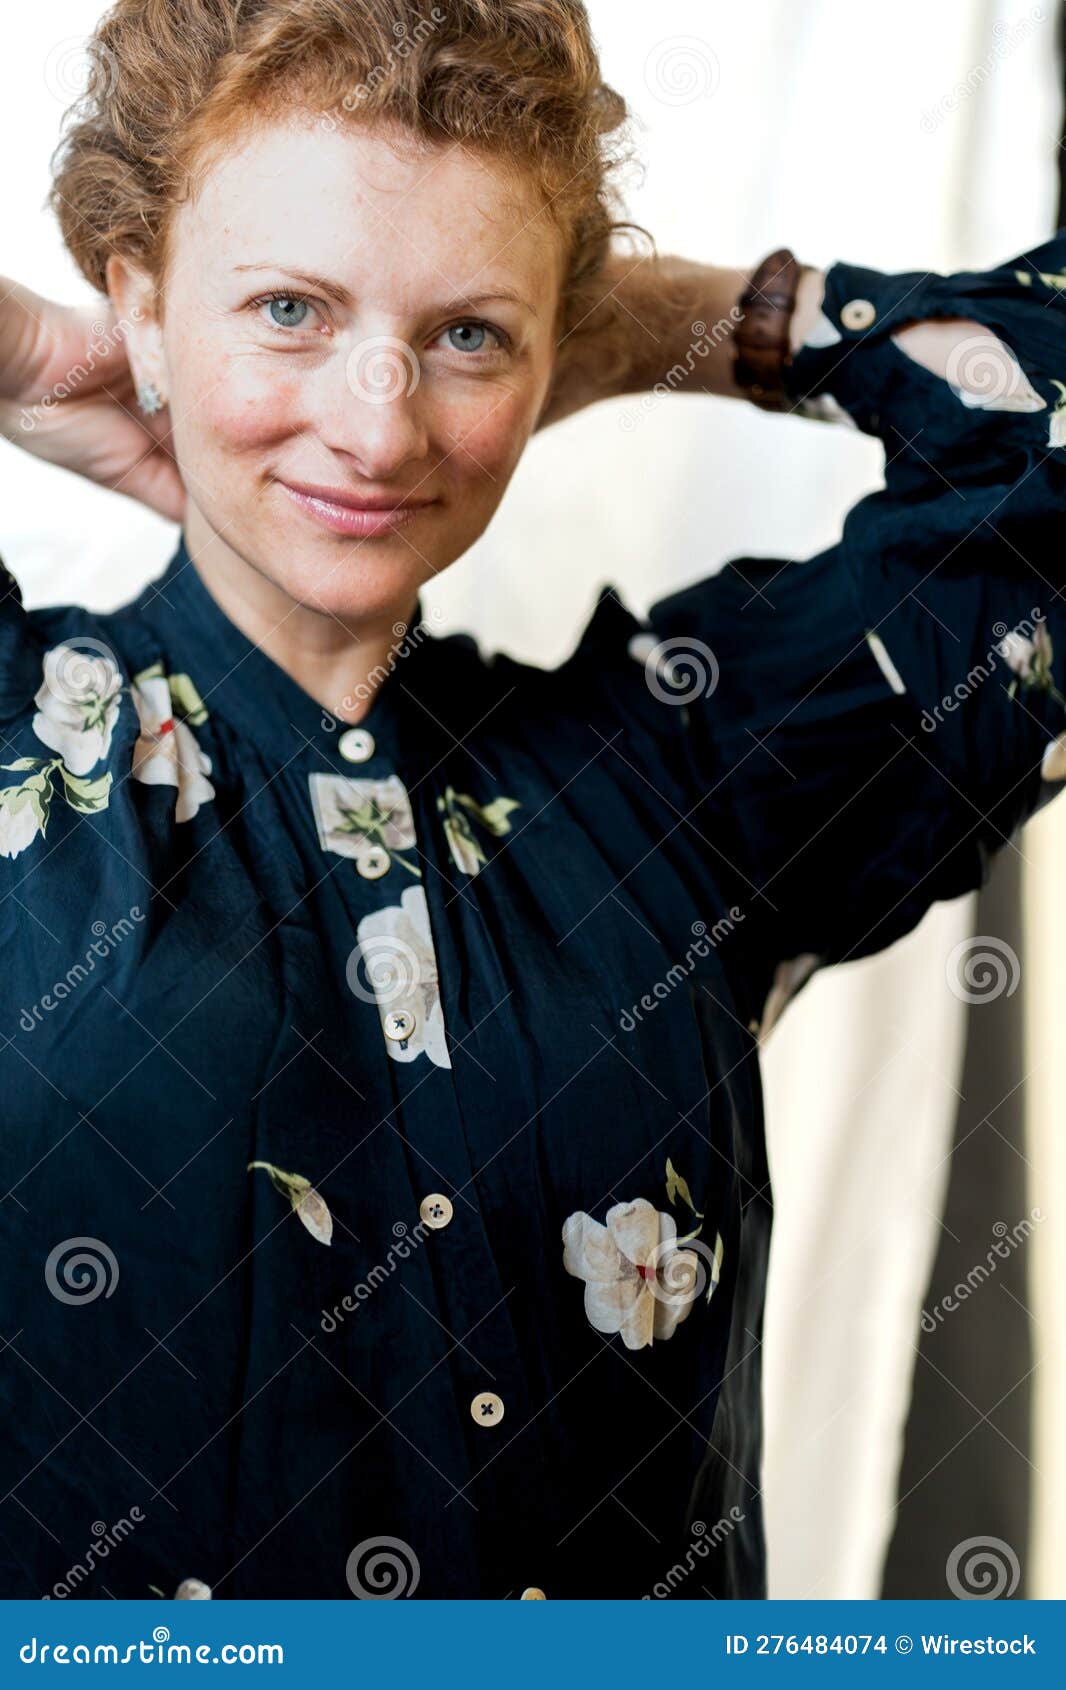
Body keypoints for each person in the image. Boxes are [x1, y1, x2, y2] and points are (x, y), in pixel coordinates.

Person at [1, 0, 1063, 1600]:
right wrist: (27, 362)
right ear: (140, 302)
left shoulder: (685, 774)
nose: (376, 421)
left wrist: (649, 323)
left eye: (464, 337)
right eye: (287, 308)